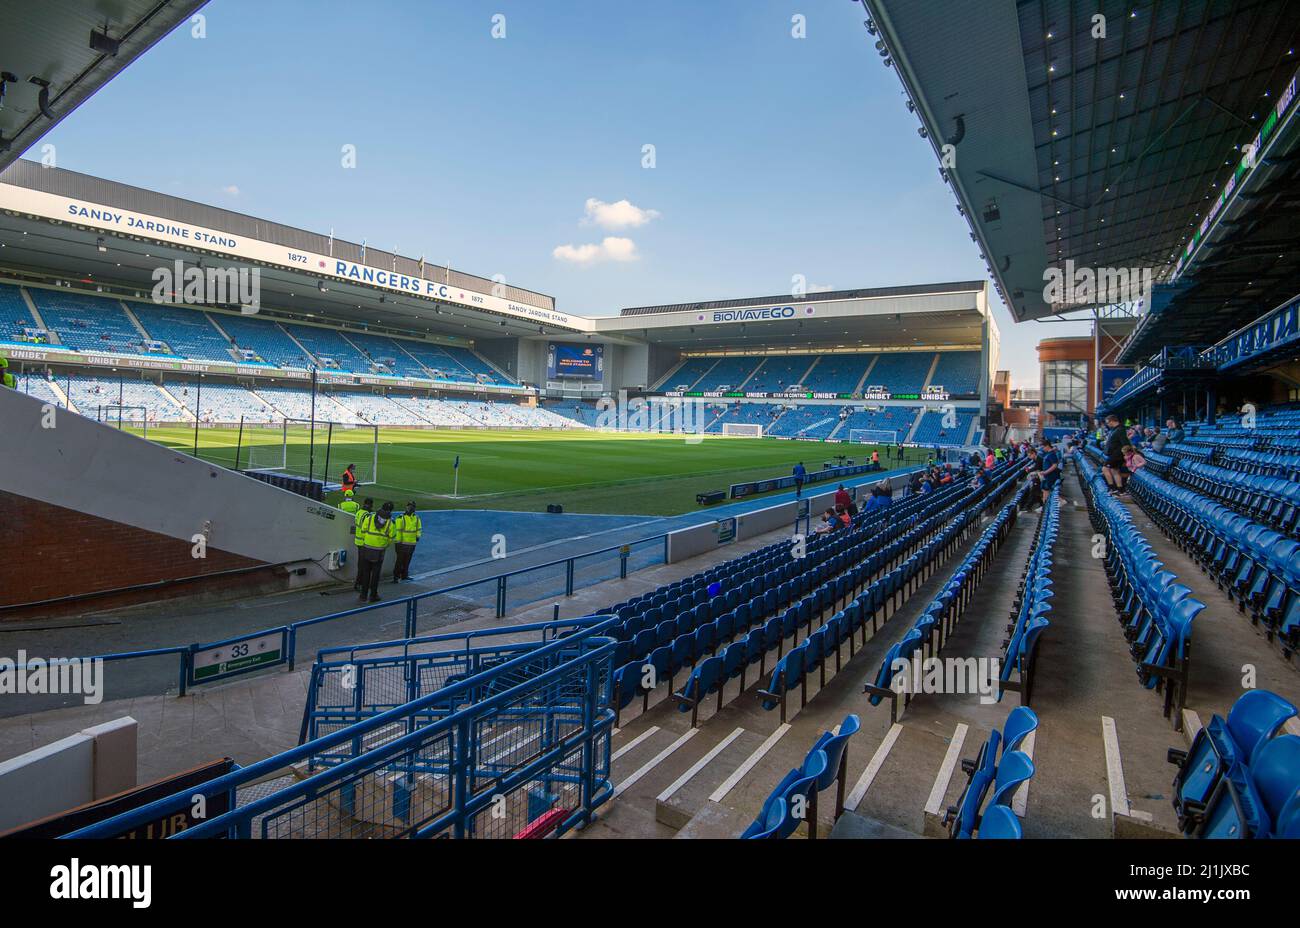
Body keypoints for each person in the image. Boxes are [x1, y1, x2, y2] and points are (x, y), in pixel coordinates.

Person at [356, 501, 396, 602]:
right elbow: (392, 537)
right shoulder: (390, 522)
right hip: (379, 551)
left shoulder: (369, 518)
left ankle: (363, 595)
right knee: (375, 574)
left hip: (367, 548)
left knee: (366, 573)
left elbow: (363, 531)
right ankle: (373, 595)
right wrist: (384, 544)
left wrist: (368, 541)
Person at [392, 501, 422, 582]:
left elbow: (419, 528)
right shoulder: (401, 518)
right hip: (402, 544)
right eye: (409, 506)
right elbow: (397, 531)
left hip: (411, 543)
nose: (411, 508)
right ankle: (396, 576)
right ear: (407, 507)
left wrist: (418, 536)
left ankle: (404, 575)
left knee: (407, 561)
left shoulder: (416, 518)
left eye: (412, 506)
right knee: (399, 561)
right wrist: (398, 543)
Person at [1102, 414, 1129, 494]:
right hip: (1114, 454)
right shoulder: (1115, 430)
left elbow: (1125, 443)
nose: (1107, 424)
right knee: (1115, 471)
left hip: (1117, 454)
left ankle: (1112, 488)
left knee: (1105, 468)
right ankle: (1120, 489)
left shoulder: (1120, 429)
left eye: (1108, 422)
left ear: (1112, 421)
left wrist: (1126, 455)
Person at [353, 497, 373, 591]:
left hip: (358, 541)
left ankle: (359, 583)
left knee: (361, 564)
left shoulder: (359, 512)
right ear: (369, 505)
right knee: (363, 565)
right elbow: (367, 529)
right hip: (364, 543)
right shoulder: (366, 515)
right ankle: (359, 584)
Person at [1036, 440, 1061, 506]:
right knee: (1044, 489)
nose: (1043, 449)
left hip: (1051, 476)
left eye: (1043, 447)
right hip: (1047, 475)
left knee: (1046, 489)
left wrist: (1045, 472)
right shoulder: (1048, 453)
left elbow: (1055, 465)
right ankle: (1044, 506)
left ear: (1047, 446)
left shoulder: (1052, 454)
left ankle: (1046, 505)